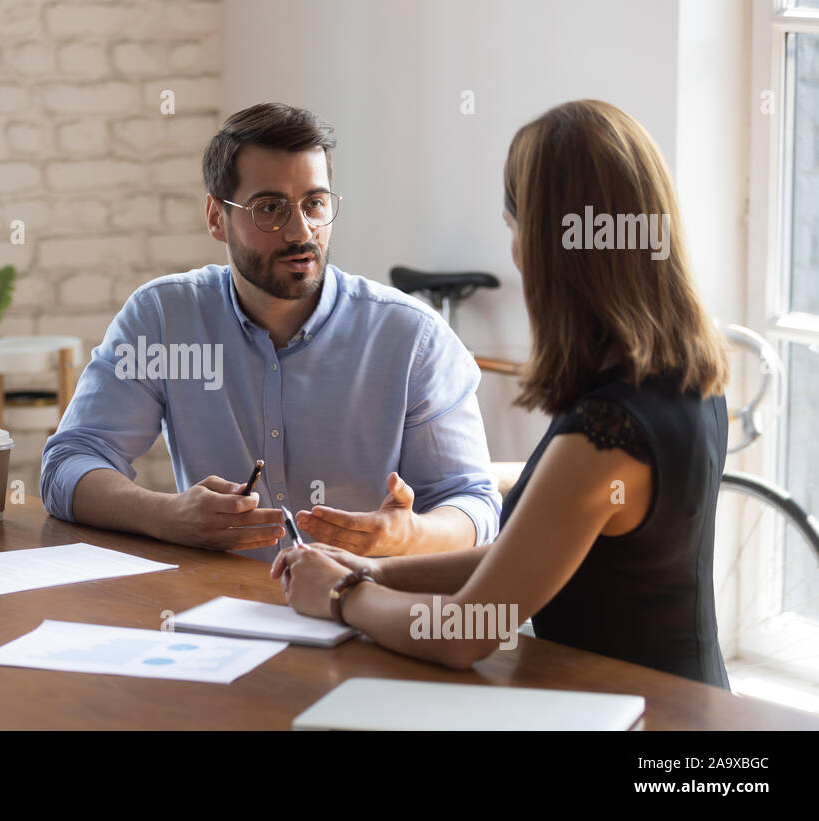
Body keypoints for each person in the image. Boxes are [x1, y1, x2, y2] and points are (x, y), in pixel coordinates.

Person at [275, 99, 732, 687]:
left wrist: (342, 595)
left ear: (552, 246)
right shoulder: (681, 376)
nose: (514, 249)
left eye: (516, 227)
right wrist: (374, 572)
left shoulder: (605, 433)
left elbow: (466, 632)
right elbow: (531, 558)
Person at [40, 103, 500, 559]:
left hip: (361, 607)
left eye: (315, 204)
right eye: (270, 208)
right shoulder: (165, 319)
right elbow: (68, 464)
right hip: (218, 611)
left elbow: (474, 504)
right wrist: (170, 516)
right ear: (217, 217)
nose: (300, 231)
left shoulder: (411, 338)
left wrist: (407, 536)